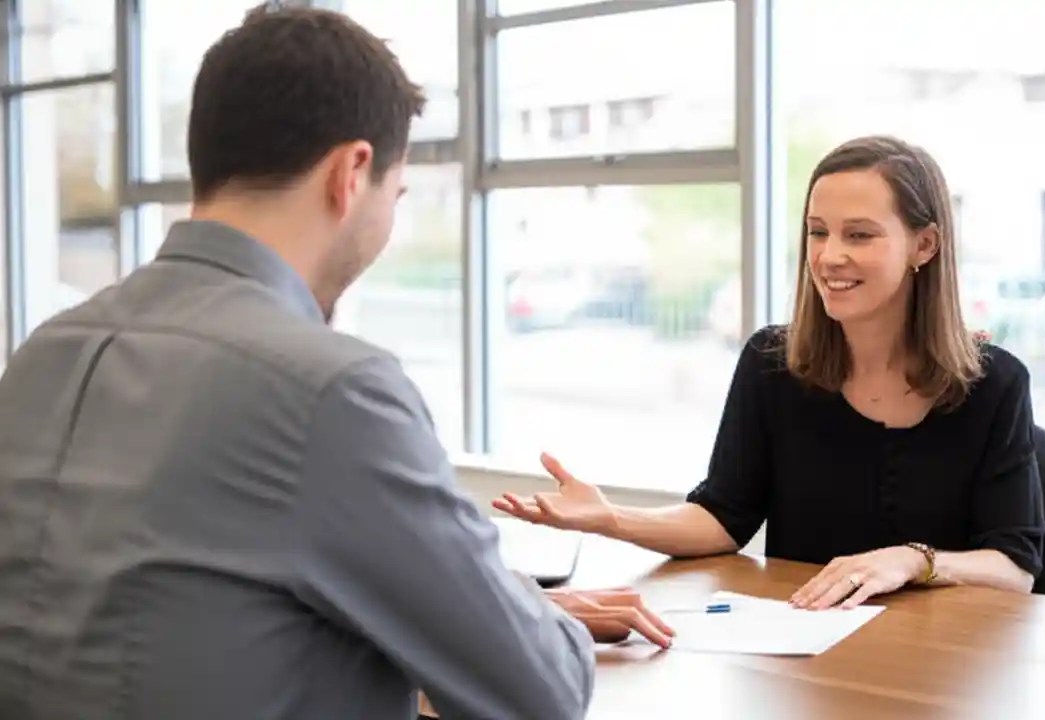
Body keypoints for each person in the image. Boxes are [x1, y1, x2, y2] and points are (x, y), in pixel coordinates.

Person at [0, 6, 670, 720]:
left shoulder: (44, 354)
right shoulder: (330, 393)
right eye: (395, 194)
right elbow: (541, 694)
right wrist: (519, 613)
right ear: (351, 173)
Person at [495, 135, 1045, 610]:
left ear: (923, 245)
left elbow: (1014, 568)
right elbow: (722, 518)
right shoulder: (772, 364)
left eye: (859, 235)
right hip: (808, 648)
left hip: (940, 660)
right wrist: (611, 519)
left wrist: (912, 560)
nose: (829, 256)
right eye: (818, 232)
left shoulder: (994, 384)